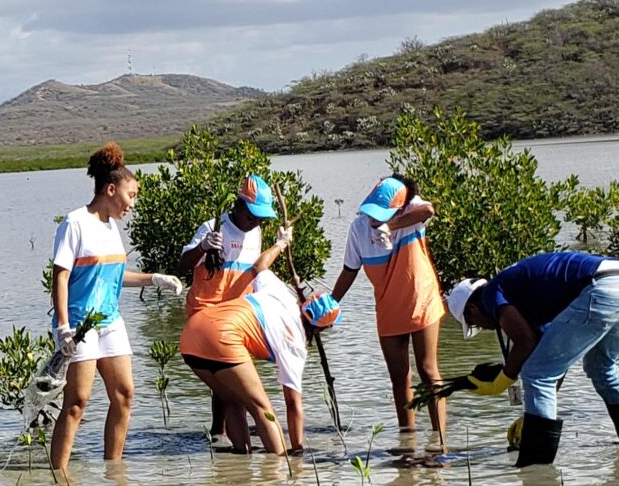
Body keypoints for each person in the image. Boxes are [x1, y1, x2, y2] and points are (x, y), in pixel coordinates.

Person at [445, 250, 619, 467]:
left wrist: (500, 382)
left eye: (475, 324)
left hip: (601, 288)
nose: (483, 328)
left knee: (535, 373)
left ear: (473, 309)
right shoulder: (524, 297)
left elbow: (525, 344)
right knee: (601, 368)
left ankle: (536, 470)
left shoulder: (492, 293)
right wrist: (532, 417)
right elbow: (555, 364)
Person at [49, 143, 182, 470]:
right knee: (77, 402)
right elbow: (60, 277)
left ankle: (114, 471)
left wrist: (154, 279)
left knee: (124, 395)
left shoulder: (111, 228)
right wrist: (63, 328)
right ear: (111, 189)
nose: (132, 204)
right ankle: (59, 475)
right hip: (79, 325)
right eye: (131, 195)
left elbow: (116, 277)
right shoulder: (74, 223)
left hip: (110, 321)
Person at [178, 226, 340, 454]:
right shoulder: (295, 344)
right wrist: (297, 449)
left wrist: (280, 244)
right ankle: (282, 467)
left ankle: (242, 459)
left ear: (305, 303)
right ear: (321, 329)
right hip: (223, 337)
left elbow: (259, 266)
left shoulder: (281, 292)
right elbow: (293, 405)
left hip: (192, 333)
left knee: (233, 399)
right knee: (262, 409)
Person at [330, 175, 447, 449]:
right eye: (372, 212)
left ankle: (439, 439)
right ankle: (408, 439)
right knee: (399, 375)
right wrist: (332, 304)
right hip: (387, 304)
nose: (373, 218)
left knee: (428, 370)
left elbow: (428, 210)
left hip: (421, 298)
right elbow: (349, 270)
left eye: (380, 213)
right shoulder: (358, 229)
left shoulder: (411, 211)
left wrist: (390, 225)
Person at [178, 175, 278, 441]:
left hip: (236, 316)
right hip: (205, 314)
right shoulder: (213, 226)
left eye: (261, 217)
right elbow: (182, 265)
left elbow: (252, 274)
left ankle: (222, 440)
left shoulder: (256, 232)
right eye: (252, 215)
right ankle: (223, 435)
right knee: (230, 388)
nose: (255, 221)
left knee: (228, 387)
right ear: (238, 206)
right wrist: (202, 247)